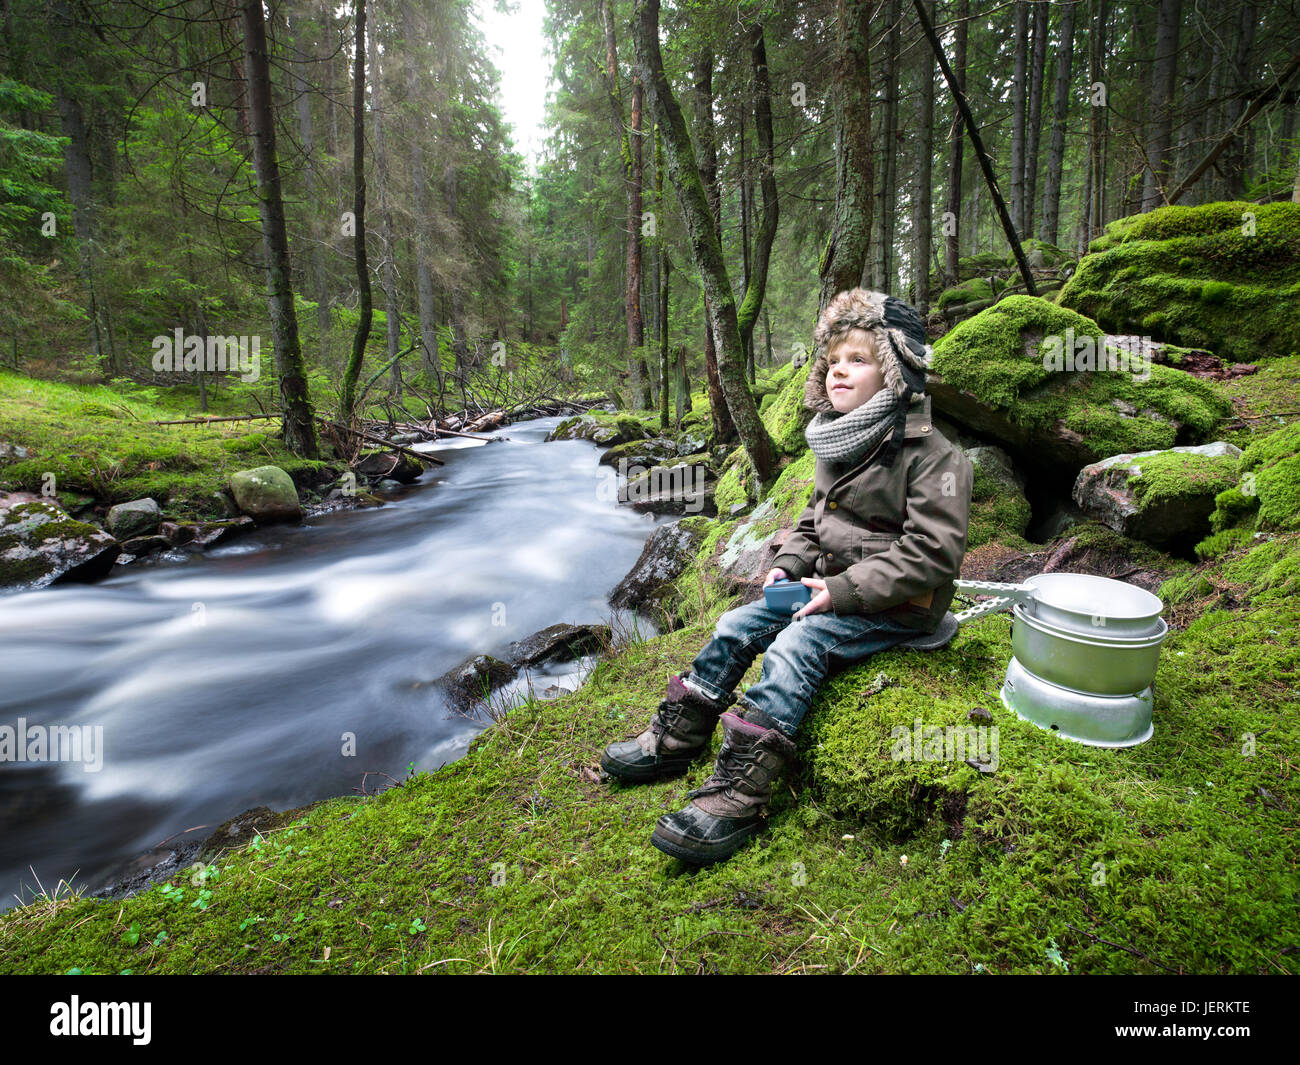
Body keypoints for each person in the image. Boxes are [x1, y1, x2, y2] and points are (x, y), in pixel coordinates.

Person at [601, 288, 974, 865]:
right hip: (828, 586)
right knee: (737, 621)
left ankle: (740, 793)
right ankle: (677, 736)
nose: (838, 372)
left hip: (897, 606)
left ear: (896, 370)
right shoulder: (839, 438)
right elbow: (811, 519)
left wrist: (844, 591)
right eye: (833, 361)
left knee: (796, 645)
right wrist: (789, 563)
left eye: (860, 359)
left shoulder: (934, 456)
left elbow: (935, 552)